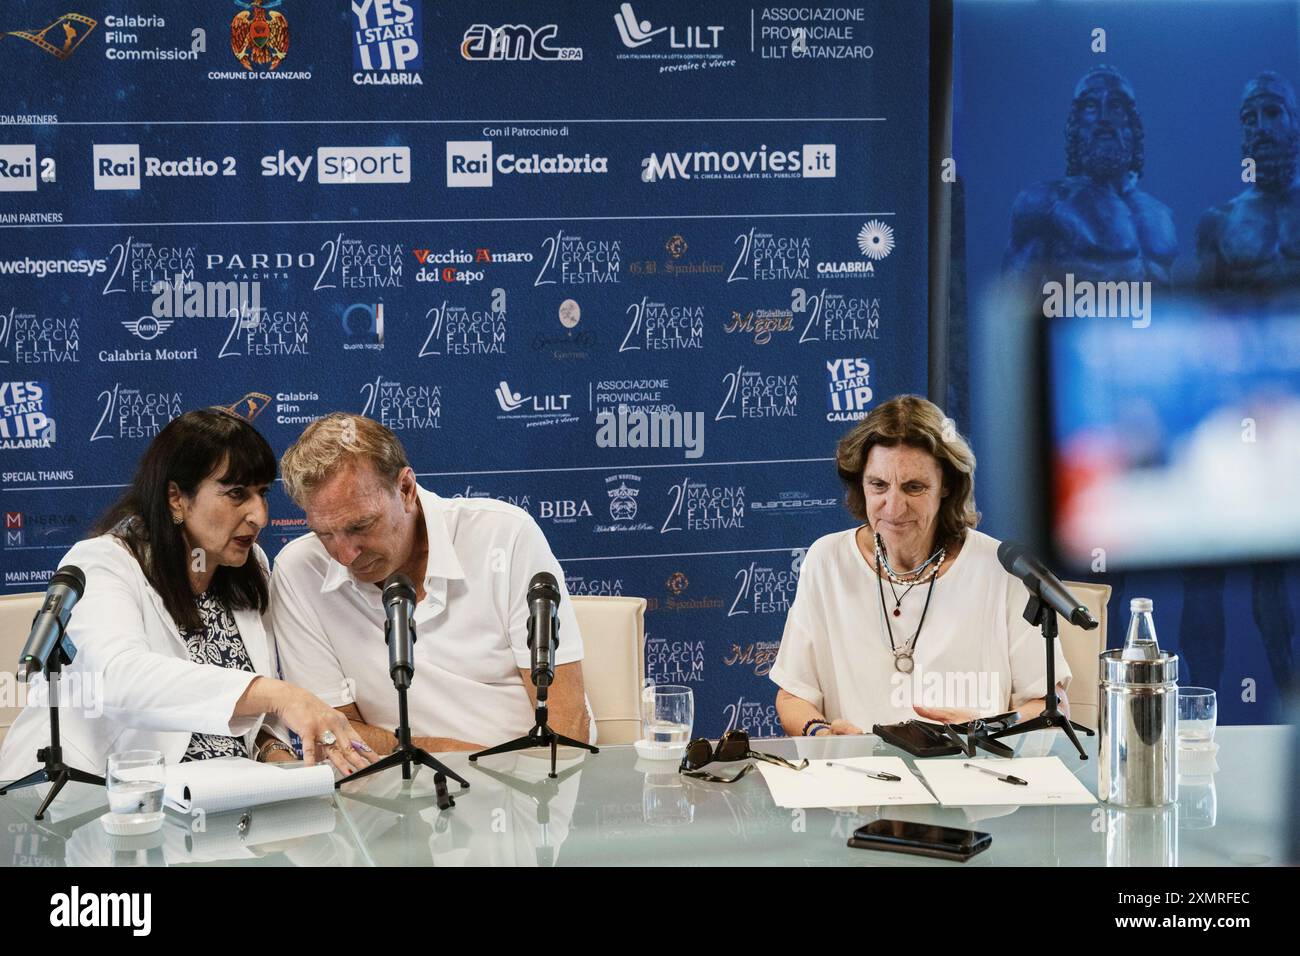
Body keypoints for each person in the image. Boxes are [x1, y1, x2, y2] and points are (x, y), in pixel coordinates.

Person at [0, 409, 376, 783]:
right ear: (176, 498)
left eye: (262, 493)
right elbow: (118, 680)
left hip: (216, 801)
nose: (259, 515)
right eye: (236, 494)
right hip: (87, 798)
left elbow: (243, 712)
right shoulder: (103, 562)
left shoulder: (249, 566)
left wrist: (270, 749)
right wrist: (277, 694)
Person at [270, 413, 592, 756]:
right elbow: (337, 740)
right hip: (391, 794)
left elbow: (568, 725)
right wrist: (461, 759)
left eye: (361, 526)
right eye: (324, 534)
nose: (346, 555)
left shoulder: (504, 537)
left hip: (530, 786)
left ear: (405, 489)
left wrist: (500, 780)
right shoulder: (298, 571)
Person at [771, 395, 1072, 736]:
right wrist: (821, 736)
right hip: (858, 778)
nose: (893, 507)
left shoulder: (1002, 569)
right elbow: (794, 695)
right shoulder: (827, 560)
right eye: (879, 485)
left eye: (914, 487)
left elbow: (1051, 706)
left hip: (975, 775)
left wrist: (985, 730)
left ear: (947, 486)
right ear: (861, 483)